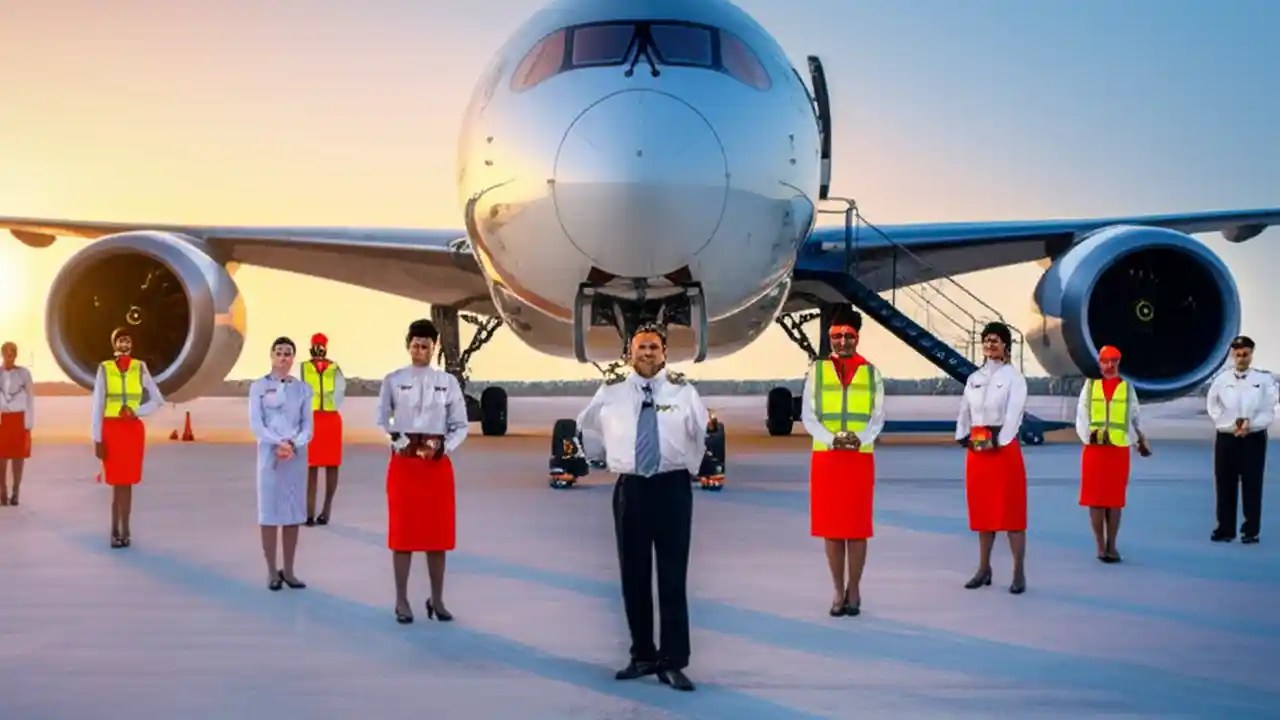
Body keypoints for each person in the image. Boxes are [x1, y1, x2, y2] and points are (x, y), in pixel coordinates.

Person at [577, 322, 711, 693]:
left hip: (672, 487)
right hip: (632, 488)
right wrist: (603, 460)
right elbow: (586, 427)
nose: (647, 353)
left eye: (654, 347)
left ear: (664, 352)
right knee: (633, 576)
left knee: (672, 577)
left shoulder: (684, 392)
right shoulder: (612, 392)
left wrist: (692, 468)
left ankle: (673, 661)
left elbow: (701, 433)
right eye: (641, 347)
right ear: (629, 353)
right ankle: (642, 655)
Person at [376, 319, 469, 624]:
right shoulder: (393, 379)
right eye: (415, 344)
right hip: (404, 465)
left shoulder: (447, 383)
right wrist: (400, 440)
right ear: (408, 346)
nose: (420, 350)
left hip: (436, 467)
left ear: (434, 348)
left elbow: (460, 425)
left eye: (426, 345)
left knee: (437, 537)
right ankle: (401, 600)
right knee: (403, 536)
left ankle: (437, 599)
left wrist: (443, 448)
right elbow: (383, 419)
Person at [800, 306, 886, 617]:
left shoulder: (872, 373)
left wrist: (859, 440)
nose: (842, 341)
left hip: (859, 459)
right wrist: (831, 438)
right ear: (829, 338)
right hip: (827, 458)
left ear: (857, 338)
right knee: (833, 530)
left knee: (858, 529)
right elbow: (808, 416)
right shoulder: (817, 372)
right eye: (836, 336)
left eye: (848, 336)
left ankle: (855, 588)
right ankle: (838, 589)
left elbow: (878, 418)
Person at [955, 321, 1029, 594]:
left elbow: (1014, 414)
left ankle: (1018, 571)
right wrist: (962, 436)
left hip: (1003, 450)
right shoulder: (974, 378)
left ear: (1006, 346)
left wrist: (998, 440)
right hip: (978, 452)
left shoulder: (1014, 378)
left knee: (1012, 515)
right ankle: (984, 568)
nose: (989, 345)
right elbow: (964, 411)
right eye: (986, 340)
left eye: (995, 340)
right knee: (983, 514)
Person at [1075, 345, 1151, 563]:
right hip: (1095, 450)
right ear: (1099, 363)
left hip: (1118, 449)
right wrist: (1090, 437)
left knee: (1114, 501)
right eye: (1105, 361)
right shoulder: (1090, 387)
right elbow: (1081, 416)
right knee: (1096, 501)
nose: (1109, 366)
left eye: (1113, 362)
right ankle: (1100, 545)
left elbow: (1135, 417)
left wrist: (1140, 440)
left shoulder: (1127, 389)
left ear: (1118, 363)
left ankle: (1112, 545)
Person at [249, 337, 314, 591]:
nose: (283, 357)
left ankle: (289, 569)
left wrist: (293, 443)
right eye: (279, 352)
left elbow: (308, 426)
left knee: (292, 513)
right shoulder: (259, 387)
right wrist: (278, 442)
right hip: (269, 456)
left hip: (294, 457)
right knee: (269, 513)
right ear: (271, 356)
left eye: (288, 353)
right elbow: (257, 424)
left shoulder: (303, 389)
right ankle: (270, 571)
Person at [91, 327, 164, 548]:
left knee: (128, 483)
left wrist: (138, 411)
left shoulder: (140, 368)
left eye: (127, 340)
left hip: (131, 430)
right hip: (112, 430)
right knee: (117, 483)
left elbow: (157, 399)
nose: (124, 344)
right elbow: (97, 406)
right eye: (120, 340)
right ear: (114, 344)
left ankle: (125, 529)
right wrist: (97, 439)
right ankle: (116, 530)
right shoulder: (104, 369)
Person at [1206, 335, 1277, 544]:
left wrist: (1250, 424)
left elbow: (1268, 408)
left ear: (1251, 355)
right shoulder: (1222, 381)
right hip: (1227, 437)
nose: (1241, 357)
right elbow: (1213, 406)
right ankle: (1225, 529)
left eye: (1245, 354)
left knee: (1252, 484)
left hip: (1253, 438)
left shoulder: (1263, 381)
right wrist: (1230, 425)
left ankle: (1250, 529)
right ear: (1232, 355)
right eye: (1238, 354)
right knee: (1225, 482)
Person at [300, 332, 346, 526]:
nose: (319, 349)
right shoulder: (305, 367)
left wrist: (331, 404)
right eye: (316, 345)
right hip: (312, 419)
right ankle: (309, 513)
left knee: (331, 465)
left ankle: (326, 510)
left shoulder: (335, 368)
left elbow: (341, 390)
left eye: (321, 345)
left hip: (330, 419)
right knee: (311, 466)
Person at [0, 341, 33, 507]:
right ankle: (2, 490)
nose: (9, 356)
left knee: (18, 458)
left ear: (16, 355)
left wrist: (28, 422)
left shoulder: (24, 373)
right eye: (6, 353)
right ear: (2, 354)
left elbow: (30, 398)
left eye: (12, 353)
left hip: (19, 419)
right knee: (1, 458)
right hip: (2, 419)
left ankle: (16, 491)